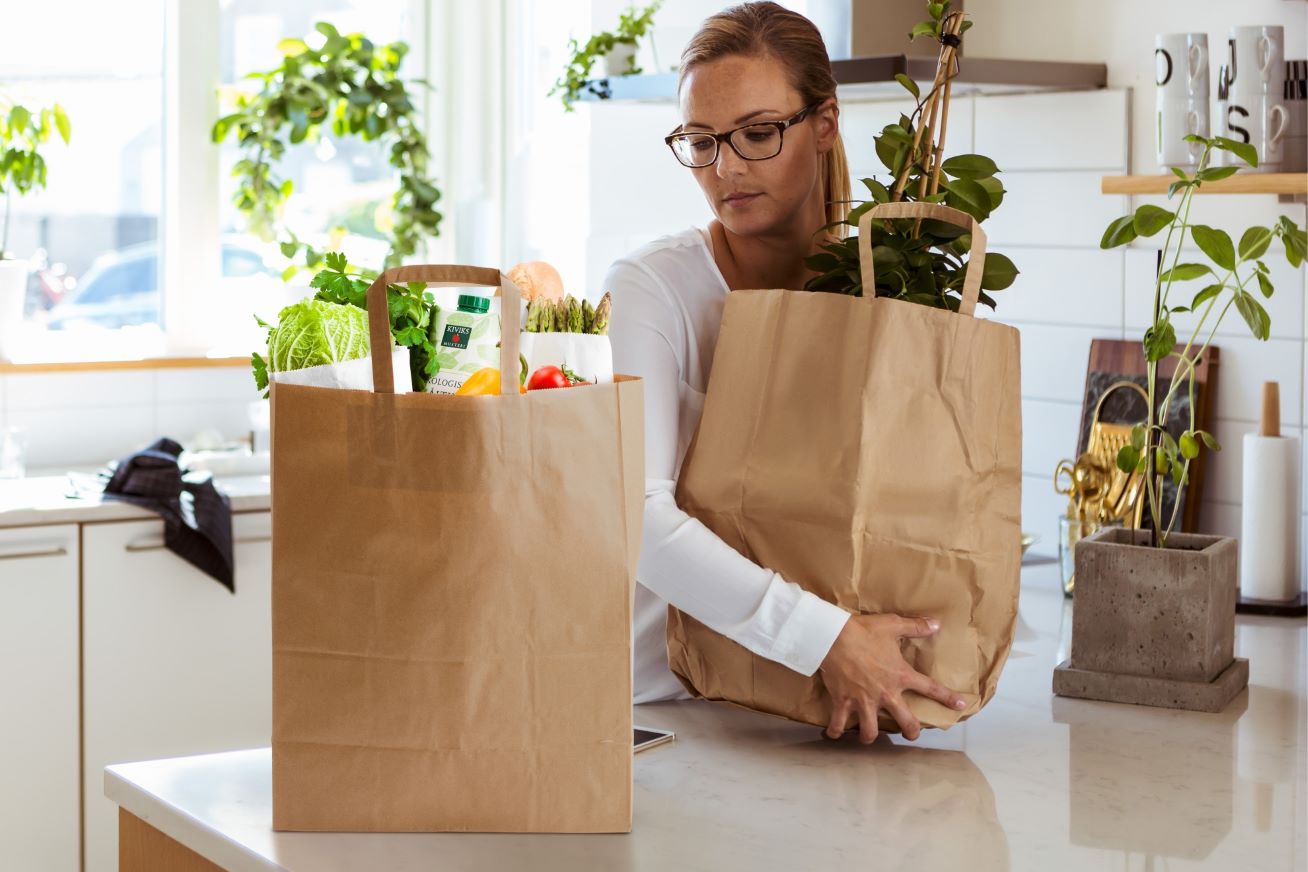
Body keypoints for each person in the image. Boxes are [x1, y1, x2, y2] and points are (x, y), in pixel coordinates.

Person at [606, 1, 968, 744]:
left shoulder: (885, 293)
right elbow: (636, 519)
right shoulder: (652, 288)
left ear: (825, 123)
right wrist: (831, 640)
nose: (726, 168)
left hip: (823, 708)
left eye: (758, 132)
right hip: (670, 709)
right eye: (700, 141)